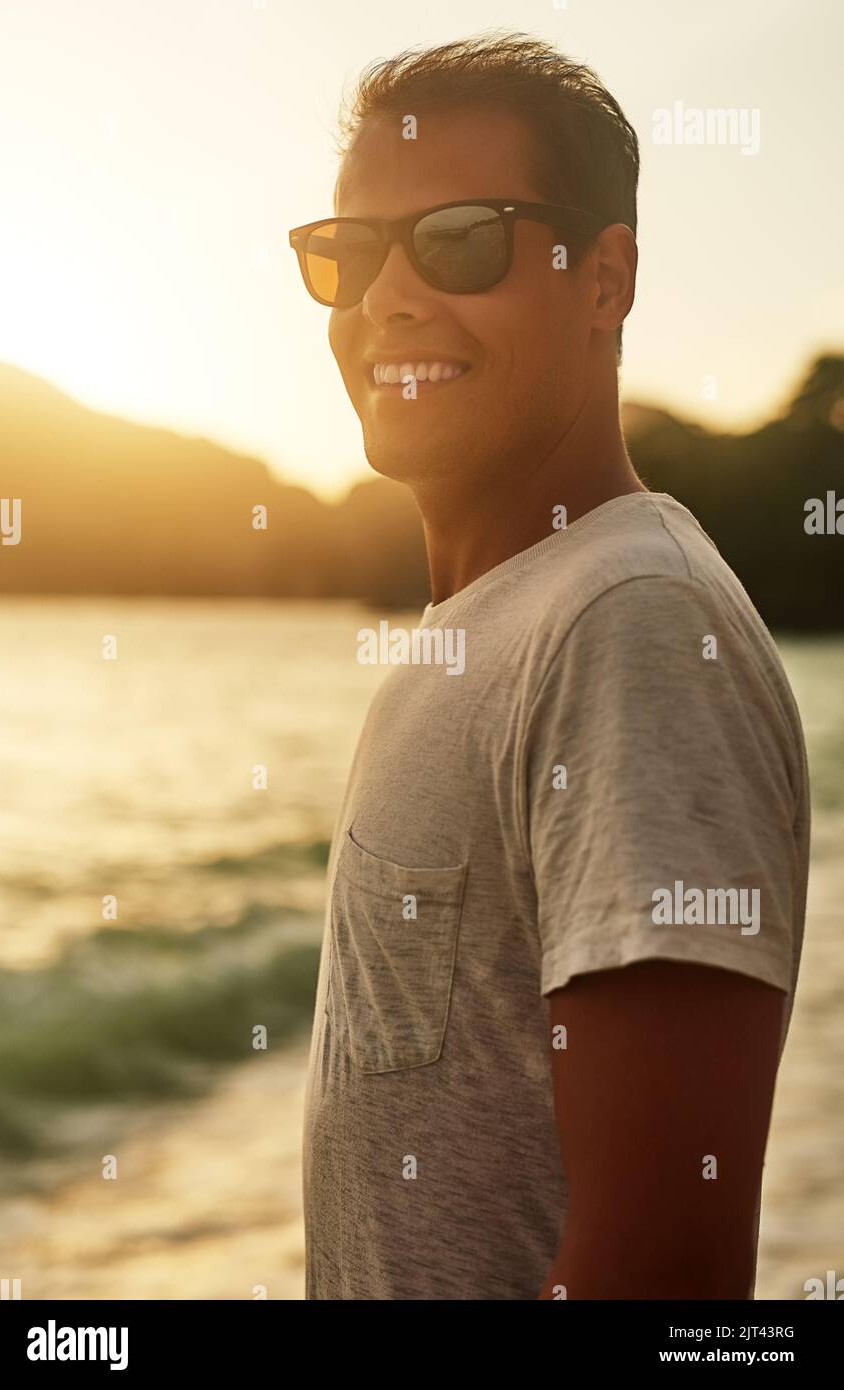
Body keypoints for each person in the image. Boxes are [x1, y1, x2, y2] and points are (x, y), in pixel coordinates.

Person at [288, 31, 810, 1300]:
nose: (389, 298)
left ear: (605, 278)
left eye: (463, 239)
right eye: (349, 254)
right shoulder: (492, 626)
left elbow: (666, 1273)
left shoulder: (630, 630)